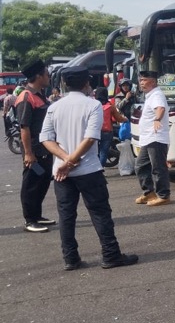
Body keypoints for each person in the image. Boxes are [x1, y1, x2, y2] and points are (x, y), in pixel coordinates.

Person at [40, 66, 138, 271]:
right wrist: (71, 161)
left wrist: (65, 161)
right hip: (89, 170)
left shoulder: (54, 107)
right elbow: (91, 137)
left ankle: (70, 258)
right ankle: (110, 255)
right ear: (87, 84)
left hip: (61, 172)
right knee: (100, 213)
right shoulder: (92, 105)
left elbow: (45, 139)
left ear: (65, 84)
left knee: (66, 216)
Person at [16, 60, 55, 233]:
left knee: (43, 181)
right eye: (46, 74)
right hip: (34, 151)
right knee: (31, 184)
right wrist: (28, 153)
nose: (48, 77)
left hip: (45, 148)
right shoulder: (26, 97)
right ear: (38, 76)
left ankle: (37, 215)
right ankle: (30, 220)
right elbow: (24, 127)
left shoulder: (40, 95)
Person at [134, 71, 171, 206]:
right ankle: (149, 192)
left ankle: (163, 195)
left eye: (144, 80)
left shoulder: (156, 95)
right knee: (140, 166)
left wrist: (157, 119)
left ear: (153, 82)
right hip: (148, 138)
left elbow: (160, 108)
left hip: (156, 138)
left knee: (158, 167)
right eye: (140, 80)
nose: (141, 83)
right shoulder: (150, 96)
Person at [95, 87, 128, 167]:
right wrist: (125, 119)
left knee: (95, 152)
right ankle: (100, 170)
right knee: (103, 152)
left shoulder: (93, 105)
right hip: (107, 131)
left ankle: (94, 169)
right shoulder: (110, 106)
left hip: (95, 132)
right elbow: (119, 118)